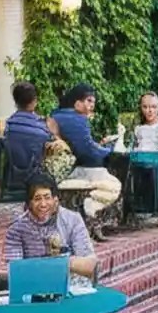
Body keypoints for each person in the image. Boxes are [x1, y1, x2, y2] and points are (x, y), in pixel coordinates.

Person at [2, 174, 105, 313]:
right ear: (28, 203)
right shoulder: (16, 230)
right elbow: (15, 273)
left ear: (56, 199)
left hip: (71, 293)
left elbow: (89, 265)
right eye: (37, 198)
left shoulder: (72, 220)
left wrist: (62, 263)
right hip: (33, 298)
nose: (43, 204)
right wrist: (43, 271)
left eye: (47, 197)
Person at [51, 83, 122, 219]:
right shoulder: (76, 119)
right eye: (89, 101)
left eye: (93, 102)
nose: (92, 106)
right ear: (77, 103)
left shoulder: (57, 114)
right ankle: (88, 209)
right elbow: (86, 151)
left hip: (63, 169)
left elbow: (80, 143)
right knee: (114, 185)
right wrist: (109, 151)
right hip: (74, 170)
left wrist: (99, 146)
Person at [129, 91, 158, 216]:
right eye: (145, 107)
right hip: (142, 160)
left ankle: (157, 210)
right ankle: (134, 210)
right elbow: (134, 146)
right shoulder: (138, 128)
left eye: (153, 107)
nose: (149, 110)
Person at [3, 81, 58, 184]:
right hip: (37, 180)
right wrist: (55, 133)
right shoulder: (43, 130)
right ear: (34, 101)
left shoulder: (8, 127)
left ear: (16, 101)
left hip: (13, 180)